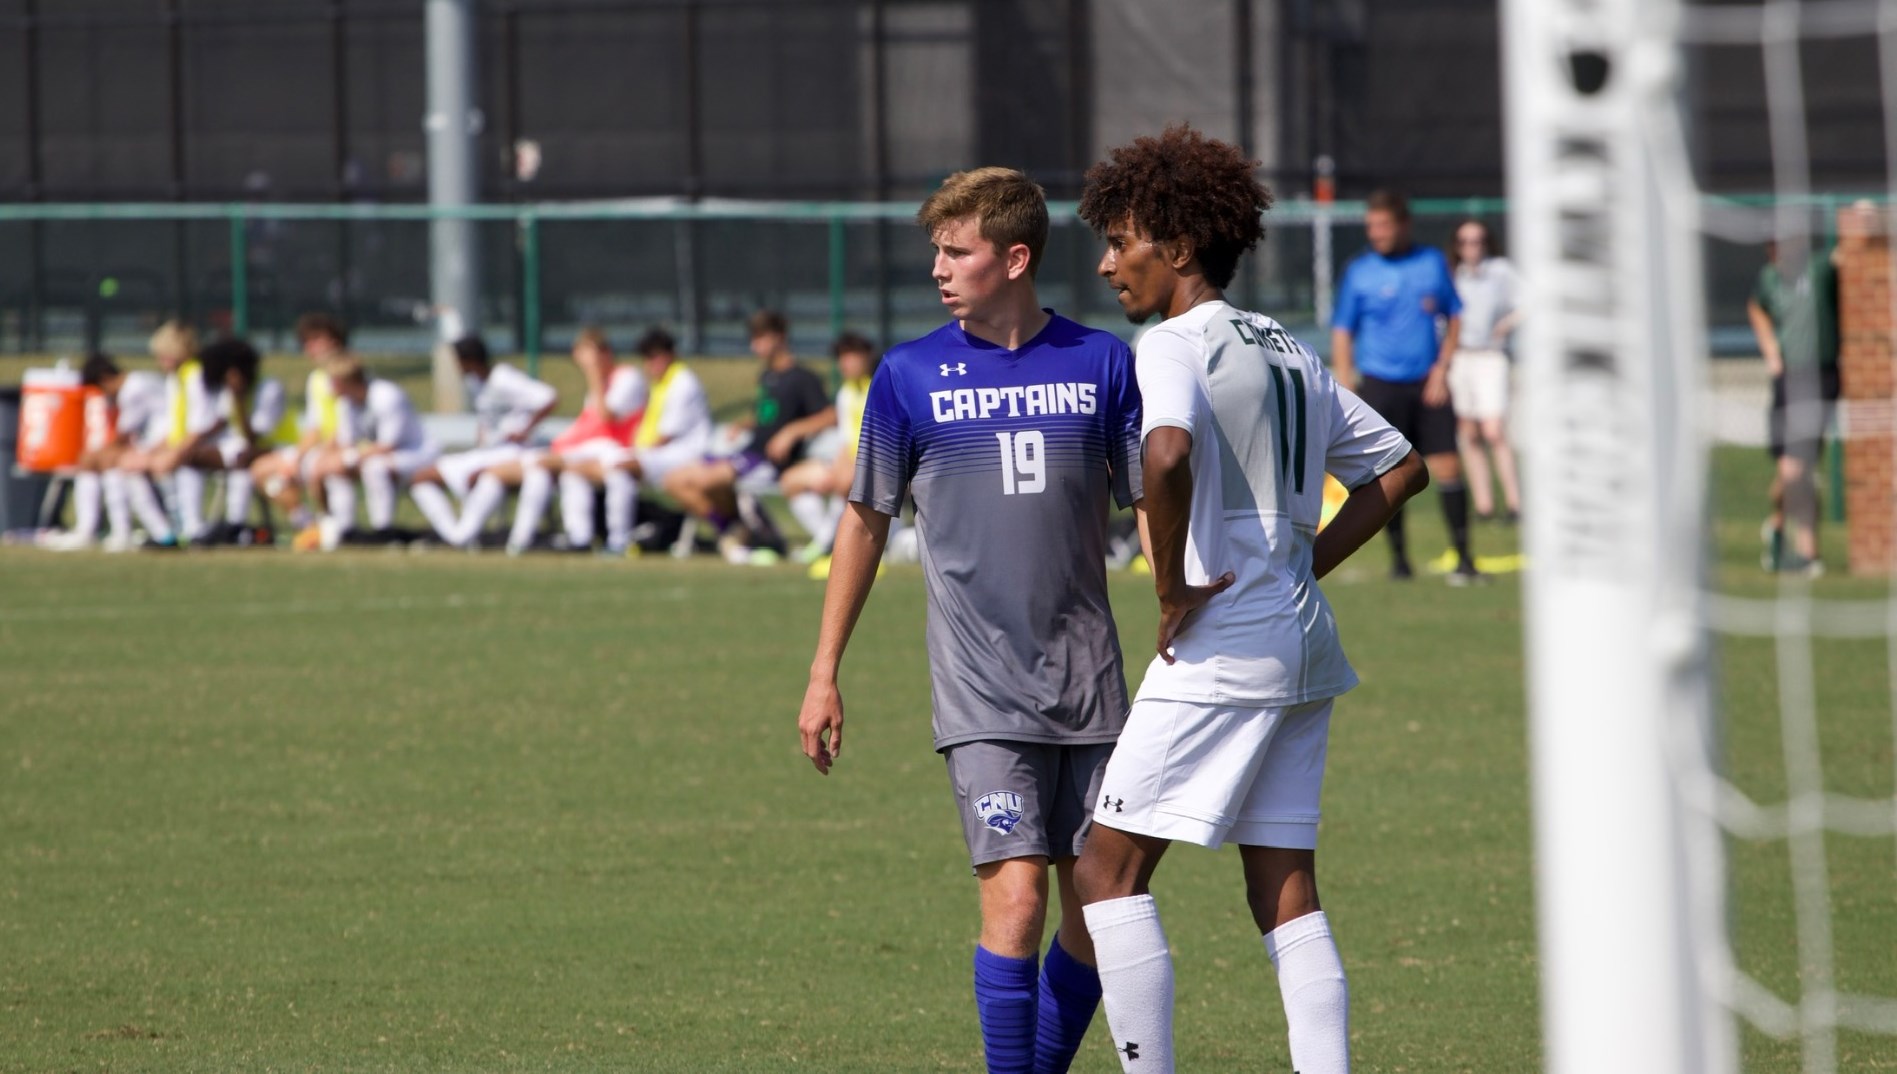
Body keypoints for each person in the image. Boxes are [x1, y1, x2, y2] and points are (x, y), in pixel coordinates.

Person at [1071, 125, 1428, 1074]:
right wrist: (1302, 567)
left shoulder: (1170, 342)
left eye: (1121, 242)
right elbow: (1400, 470)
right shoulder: (1288, 349)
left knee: (1104, 870)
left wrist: (1171, 586)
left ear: (1179, 247)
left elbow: (1165, 454)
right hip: (1302, 643)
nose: (1107, 264)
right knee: (1283, 889)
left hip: (1223, 641)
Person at [796, 166, 1145, 1074]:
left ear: (1015, 259)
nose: (938, 270)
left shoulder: (1102, 362)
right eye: (936, 253)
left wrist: (1185, 612)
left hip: (1094, 686)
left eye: (957, 252)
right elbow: (864, 522)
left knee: (1101, 910)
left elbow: (1150, 505)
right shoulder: (908, 374)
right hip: (981, 692)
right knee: (1018, 903)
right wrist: (824, 671)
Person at [1330, 189, 1479, 583]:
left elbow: (1455, 316)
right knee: (1389, 474)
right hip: (1379, 385)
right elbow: (1343, 330)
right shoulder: (1359, 271)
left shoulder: (1431, 263)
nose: (1375, 233)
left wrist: (1442, 370)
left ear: (1403, 225)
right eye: (1371, 226)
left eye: (1383, 225)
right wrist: (1346, 382)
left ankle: (1464, 558)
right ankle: (1400, 561)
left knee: (1448, 465)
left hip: (1428, 384)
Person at [663, 310, 831, 562]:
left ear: (780, 337)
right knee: (673, 480)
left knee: (707, 480)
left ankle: (739, 533)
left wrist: (792, 432)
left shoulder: (803, 378)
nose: (755, 346)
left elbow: (829, 415)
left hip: (768, 461)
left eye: (761, 338)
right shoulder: (767, 376)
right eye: (753, 339)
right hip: (747, 452)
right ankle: (734, 528)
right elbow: (767, 415)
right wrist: (743, 424)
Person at [496, 327, 649, 554]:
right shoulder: (598, 387)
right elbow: (585, 427)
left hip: (619, 449)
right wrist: (556, 449)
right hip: (594, 450)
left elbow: (606, 416)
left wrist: (594, 372)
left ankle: (618, 541)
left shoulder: (627, 377)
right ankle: (551, 539)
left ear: (604, 353)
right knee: (557, 470)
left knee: (615, 474)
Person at [407, 336, 559, 548]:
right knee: (421, 477)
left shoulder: (503, 377)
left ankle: (461, 537)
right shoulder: (476, 383)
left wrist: (524, 429)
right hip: (490, 451)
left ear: (468, 360)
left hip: (513, 452)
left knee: (483, 477)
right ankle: (454, 535)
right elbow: (488, 419)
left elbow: (549, 397)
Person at [1748, 238, 1841, 575]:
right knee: (1792, 471)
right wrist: (1771, 351)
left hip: (1822, 377)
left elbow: (1846, 256)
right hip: (1788, 381)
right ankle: (1780, 528)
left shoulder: (1819, 269)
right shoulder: (1769, 278)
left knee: (1801, 468)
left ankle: (1806, 552)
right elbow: (1756, 308)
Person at [39, 353, 164, 552]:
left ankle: (114, 531)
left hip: (163, 445)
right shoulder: (140, 381)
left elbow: (124, 434)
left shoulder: (133, 390)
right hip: (158, 443)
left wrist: (96, 456)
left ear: (105, 379)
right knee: (100, 462)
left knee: (105, 464)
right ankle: (96, 530)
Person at [252, 312, 354, 548]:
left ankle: (335, 528)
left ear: (334, 340)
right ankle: (308, 525)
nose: (310, 348)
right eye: (306, 342)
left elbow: (350, 422)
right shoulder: (316, 378)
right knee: (261, 470)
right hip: (321, 447)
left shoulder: (349, 374)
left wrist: (325, 450)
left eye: (316, 340)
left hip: (347, 446)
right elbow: (314, 427)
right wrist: (296, 458)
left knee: (319, 468)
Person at [315, 358, 440, 548]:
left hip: (416, 453)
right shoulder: (346, 403)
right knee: (336, 471)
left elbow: (389, 444)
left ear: (347, 382)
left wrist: (347, 459)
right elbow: (346, 441)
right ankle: (346, 530)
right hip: (384, 454)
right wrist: (328, 460)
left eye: (333, 381)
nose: (329, 387)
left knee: (374, 468)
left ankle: (383, 529)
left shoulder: (386, 396)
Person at [1446, 219, 1521, 523]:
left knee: (1493, 430)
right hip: (1462, 357)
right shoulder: (1454, 275)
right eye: (1464, 242)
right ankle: (1484, 505)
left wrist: (1506, 324)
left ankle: (1515, 503)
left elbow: (1530, 301)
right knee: (1469, 432)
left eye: (1477, 241)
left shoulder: (1501, 271)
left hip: (1491, 355)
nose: (1471, 247)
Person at [780, 332, 879, 564]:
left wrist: (844, 472)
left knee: (846, 482)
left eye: (851, 356)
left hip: (881, 465)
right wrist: (837, 469)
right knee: (791, 480)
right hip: (852, 464)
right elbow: (846, 440)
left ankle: (827, 544)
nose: (845, 363)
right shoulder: (845, 393)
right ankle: (830, 540)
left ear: (867, 357)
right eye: (842, 357)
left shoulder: (880, 388)